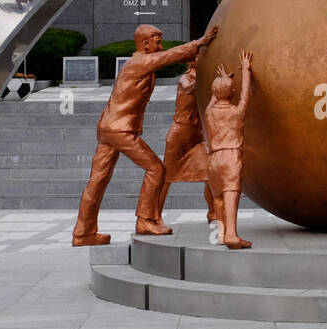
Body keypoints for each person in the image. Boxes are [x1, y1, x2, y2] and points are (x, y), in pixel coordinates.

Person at [71, 23, 218, 246]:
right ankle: (146, 220)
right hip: (121, 129)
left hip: (108, 128)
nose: (161, 45)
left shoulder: (139, 62)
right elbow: (169, 56)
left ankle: (83, 233)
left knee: (97, 182)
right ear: (145, 43)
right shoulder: (139, 61)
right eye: (157, 41)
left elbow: (169, 57)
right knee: (156, 169)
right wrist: (200, 42)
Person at [155, 58, 217, 223]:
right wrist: (206, 78)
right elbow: (188, 88)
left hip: (197, 135)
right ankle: (154, 215)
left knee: (210, 173)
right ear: (192, 62)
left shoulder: (206, 81)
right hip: (179, 134)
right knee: (166, 177)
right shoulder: (186, 79)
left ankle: (213, 214)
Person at [204, 51, 254, 250]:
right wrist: (246, 70)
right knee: (231, 195)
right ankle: (232, 235)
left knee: (218, 198)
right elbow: (245, 94)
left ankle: (222, 233)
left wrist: (222, 81)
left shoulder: (209, 113)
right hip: (231, 156)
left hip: (214, 159)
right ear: (231, 93)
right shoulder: (236, 112)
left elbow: (213, 98)